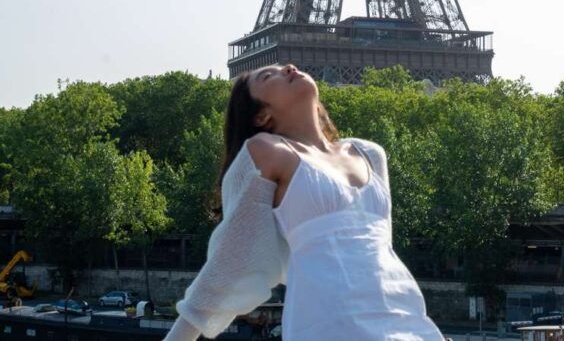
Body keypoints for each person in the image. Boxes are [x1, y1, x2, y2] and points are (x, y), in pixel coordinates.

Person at [164, 64, 445, 340]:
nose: (287, 67)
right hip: (334, 320)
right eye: (267, 76)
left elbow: (381, 254)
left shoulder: (370, 153)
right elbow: (230, 258)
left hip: (403, 316)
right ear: (261, 116)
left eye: (283, 66)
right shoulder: (268, 151)